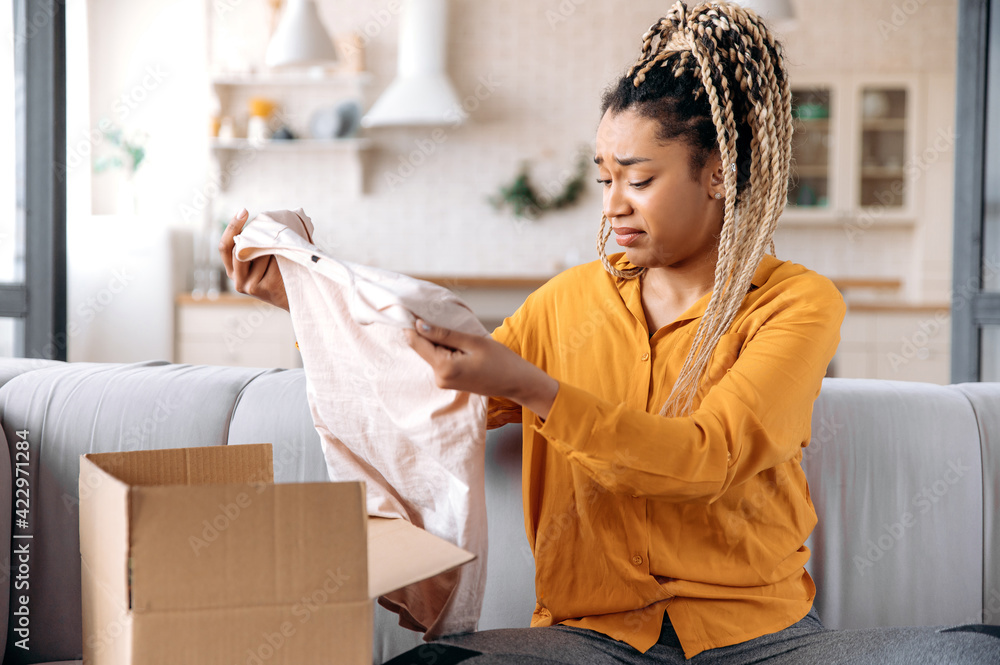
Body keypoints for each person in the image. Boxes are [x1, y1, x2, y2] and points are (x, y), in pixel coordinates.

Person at [220, 3, 1000, 663]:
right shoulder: (564, 302)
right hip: (589, 639)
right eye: (604, 178)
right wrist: (306, 298)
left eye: (641, 177)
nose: (614, 204)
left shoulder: (795, 303)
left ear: (719, 172)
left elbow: (711, 457)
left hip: (758, 638)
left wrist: (531, 388)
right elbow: (423, 386)